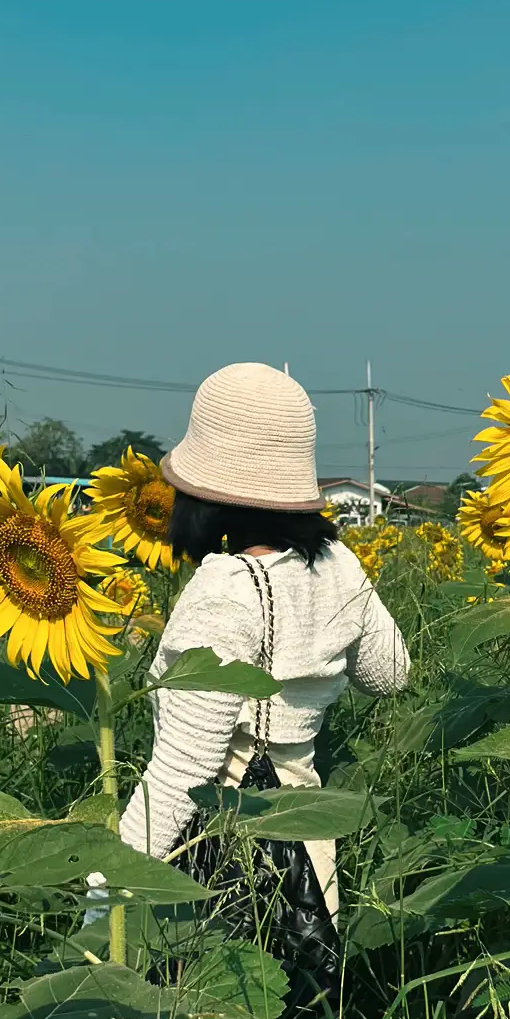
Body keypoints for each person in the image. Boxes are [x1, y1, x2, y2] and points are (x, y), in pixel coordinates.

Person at [119, 363, 409, 922]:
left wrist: (104, 902)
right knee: (308, 992)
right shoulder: (339, 564)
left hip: (219, 851)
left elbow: (184, 773)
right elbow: (391, 675)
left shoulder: (223, 592)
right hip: (308, 844)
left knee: (210, 998)